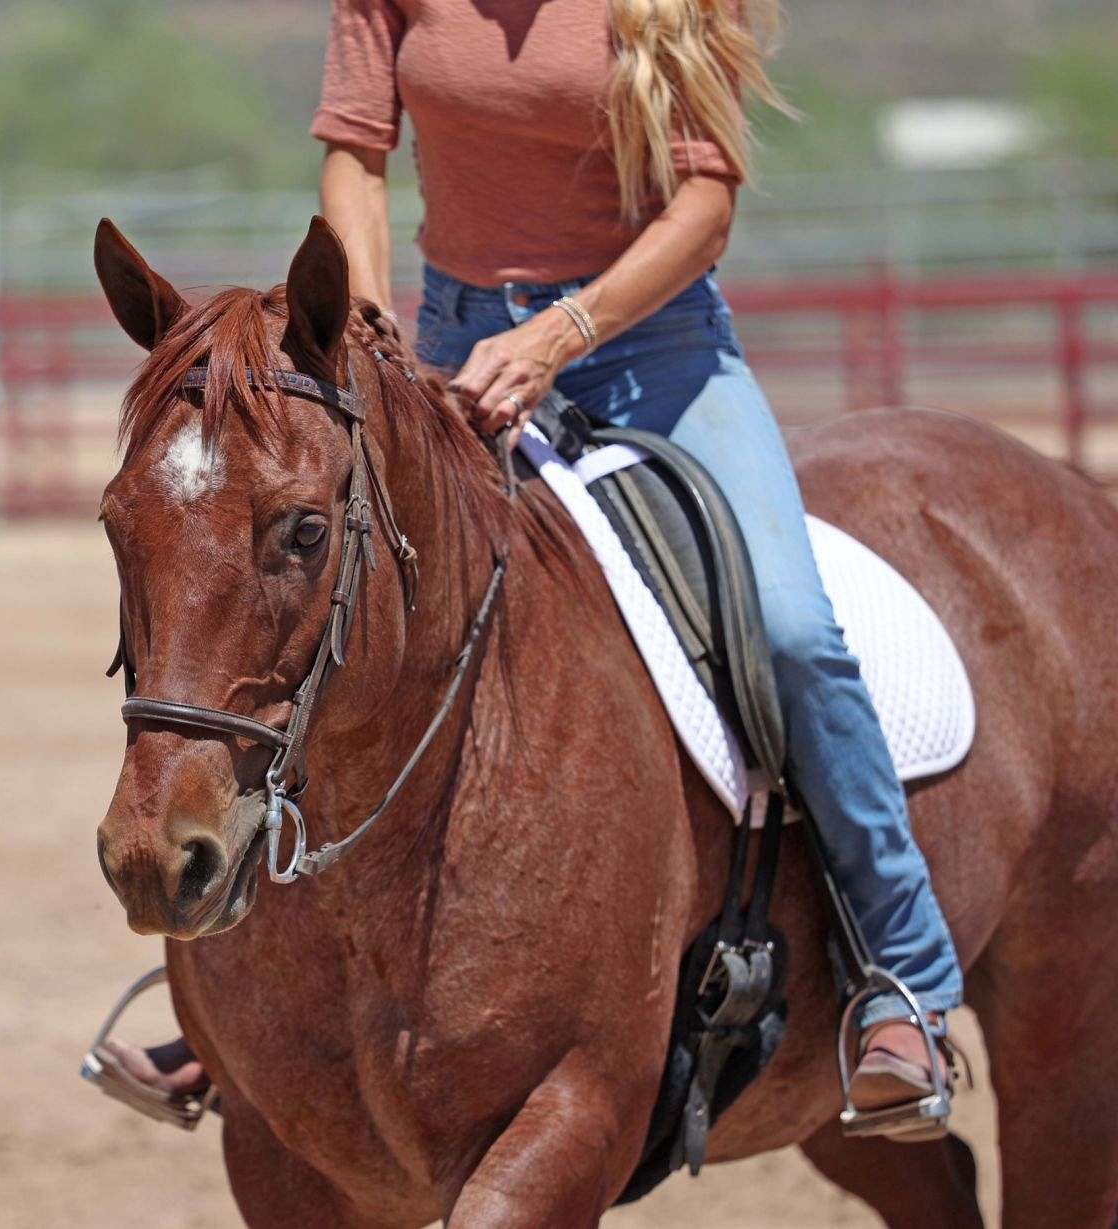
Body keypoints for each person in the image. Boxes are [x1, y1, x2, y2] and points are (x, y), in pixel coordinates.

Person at [111, 0, 963, 1135]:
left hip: (654, 354)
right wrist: (367, 328)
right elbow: (356, 158)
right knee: (332, 614)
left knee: (791, 628)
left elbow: (705, 209)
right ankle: (242, 1009)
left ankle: (902, 976)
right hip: (447, 340)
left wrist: (561, 333)